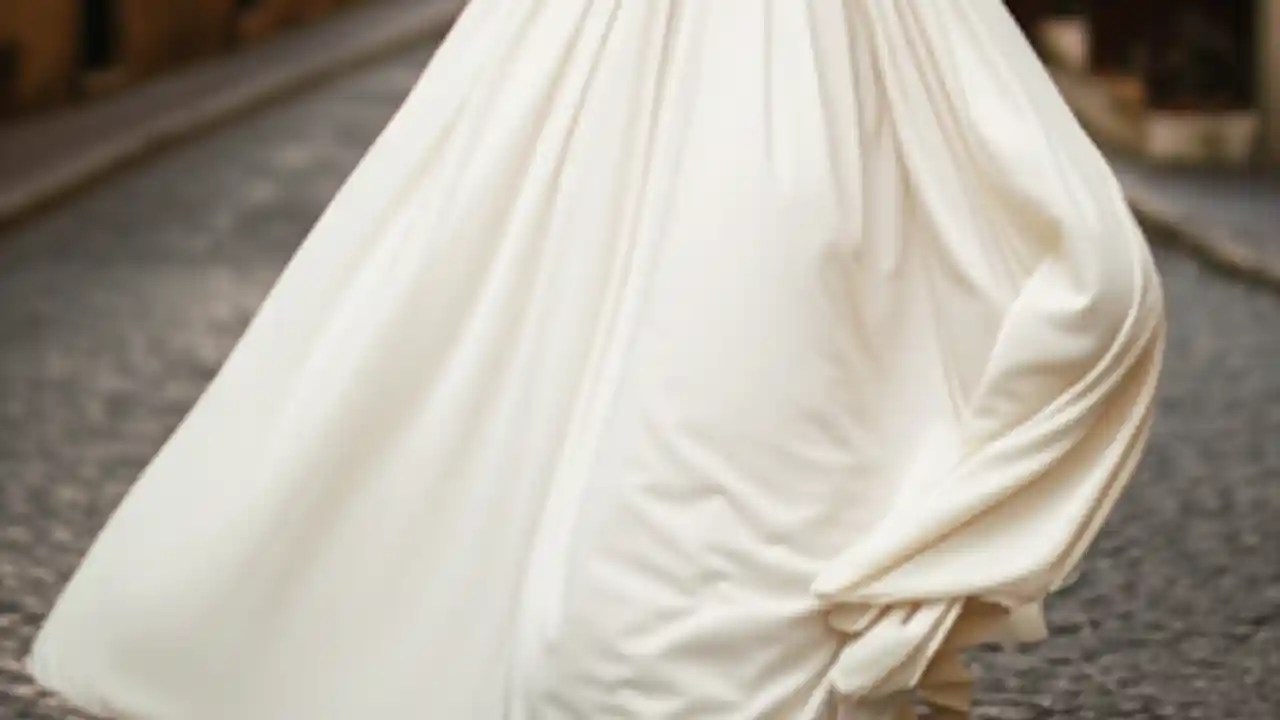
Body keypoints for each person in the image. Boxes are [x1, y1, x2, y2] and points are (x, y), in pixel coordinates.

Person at [26, 1, 1166, 718]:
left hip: (824, 51)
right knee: (548, 311)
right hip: (624, 49)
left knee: (782, 306)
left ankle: (662, 642)